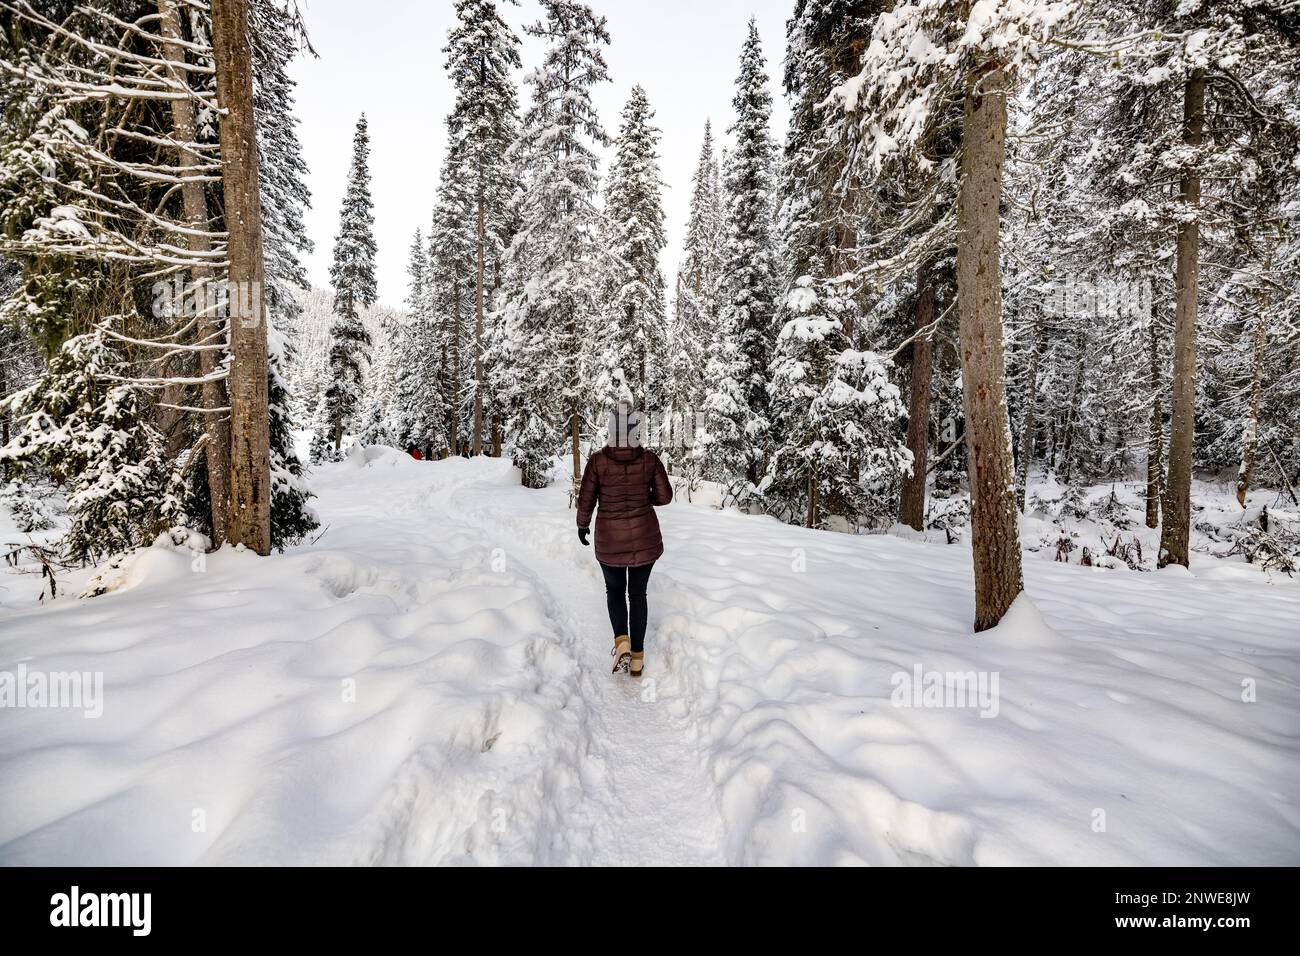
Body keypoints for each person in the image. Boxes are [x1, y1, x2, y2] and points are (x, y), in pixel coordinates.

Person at [576, 404, 672, 677]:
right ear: (635, 431)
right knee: (638, 594)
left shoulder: (597, 461)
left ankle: (622, 642)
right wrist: (645, 500)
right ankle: (638, 659)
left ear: (611, 430)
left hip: (609, 539)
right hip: (645, 537)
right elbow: (665, 497)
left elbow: (586, 500)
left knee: (615, 591)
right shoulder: (649, 459)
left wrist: (582, 525)